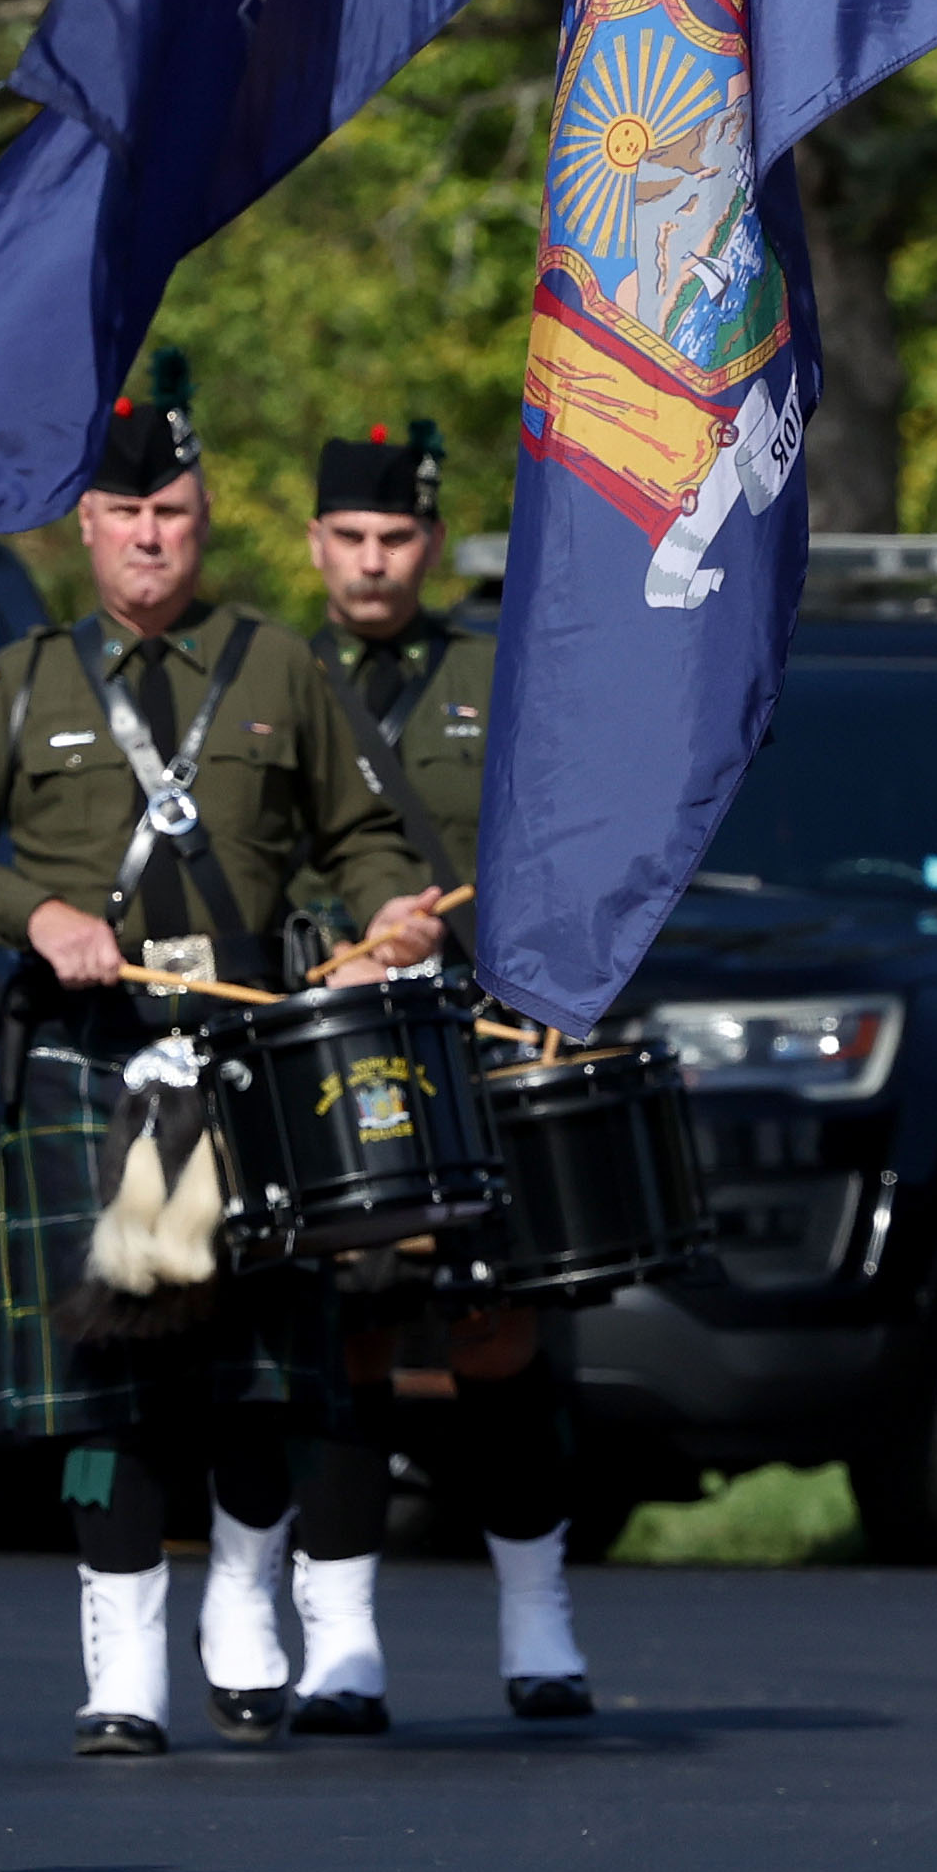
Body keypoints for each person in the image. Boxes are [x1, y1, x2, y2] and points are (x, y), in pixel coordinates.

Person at [0, 353, 442, 1750]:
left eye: (175, 513)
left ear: (205, 521)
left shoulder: (280, 666)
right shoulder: (25, 678)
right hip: (90, 1055)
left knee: (254, 1374)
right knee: (107, 1389)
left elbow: (368, 833)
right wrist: (37, 915)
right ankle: (123, 1657)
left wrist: (387, 916)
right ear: (86, 523)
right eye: (127, 513)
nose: (151, 536)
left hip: (248, 1055)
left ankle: (245, 1606)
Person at [282, 422, 586, 1728]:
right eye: (349, 537)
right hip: (332, 1045)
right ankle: (341, 1643)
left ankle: (539, 1625)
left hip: (475, 1036)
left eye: (396, 537)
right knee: (345, 1332)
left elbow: (562, 837)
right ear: (314, 543)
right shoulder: (272, 678)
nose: (372, 561)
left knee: (494, 1329)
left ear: (431, 541)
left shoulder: (497, 669)